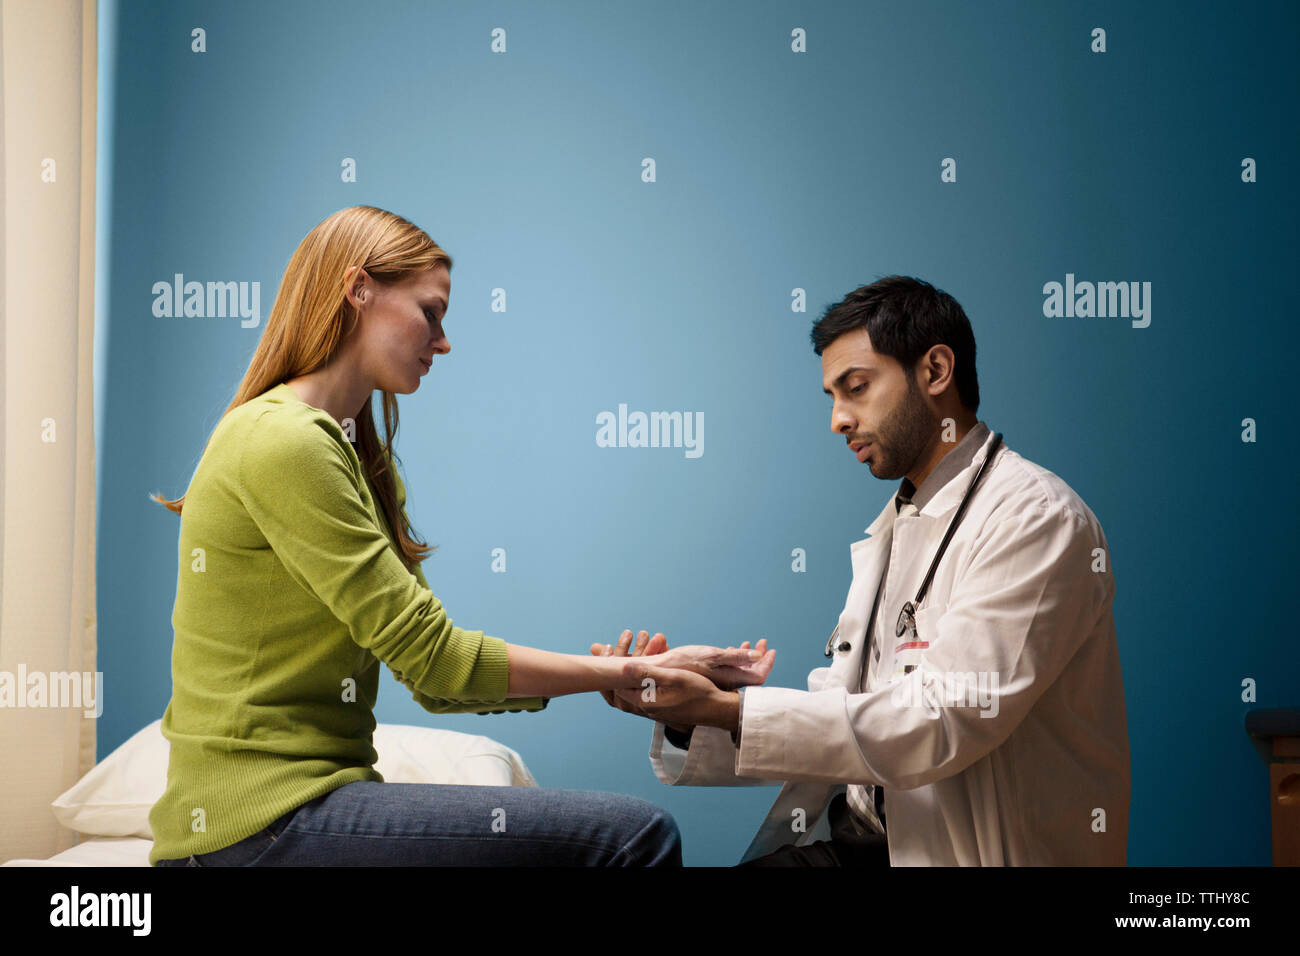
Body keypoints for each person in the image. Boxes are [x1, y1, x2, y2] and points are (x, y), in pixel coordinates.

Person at [146, 204, 775, 867]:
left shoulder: (356, 458)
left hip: (300, 811)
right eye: (431, 312)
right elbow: (437, 660)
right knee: (633, 837)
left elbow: (435, 682)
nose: (443, 342)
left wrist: (627, 673)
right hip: (257, 827)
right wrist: (621, 672)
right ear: (359, 289)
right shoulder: (283, 441)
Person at [594, 275, 1130, 866]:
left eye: (856, 388)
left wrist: (723, 710)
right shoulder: (897, 525)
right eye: (831, 397)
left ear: (935, 371)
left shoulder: (1036, 519)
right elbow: (845, 718)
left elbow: (941, 717)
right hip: (860, 845)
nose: (838, 420)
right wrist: (687, 713)